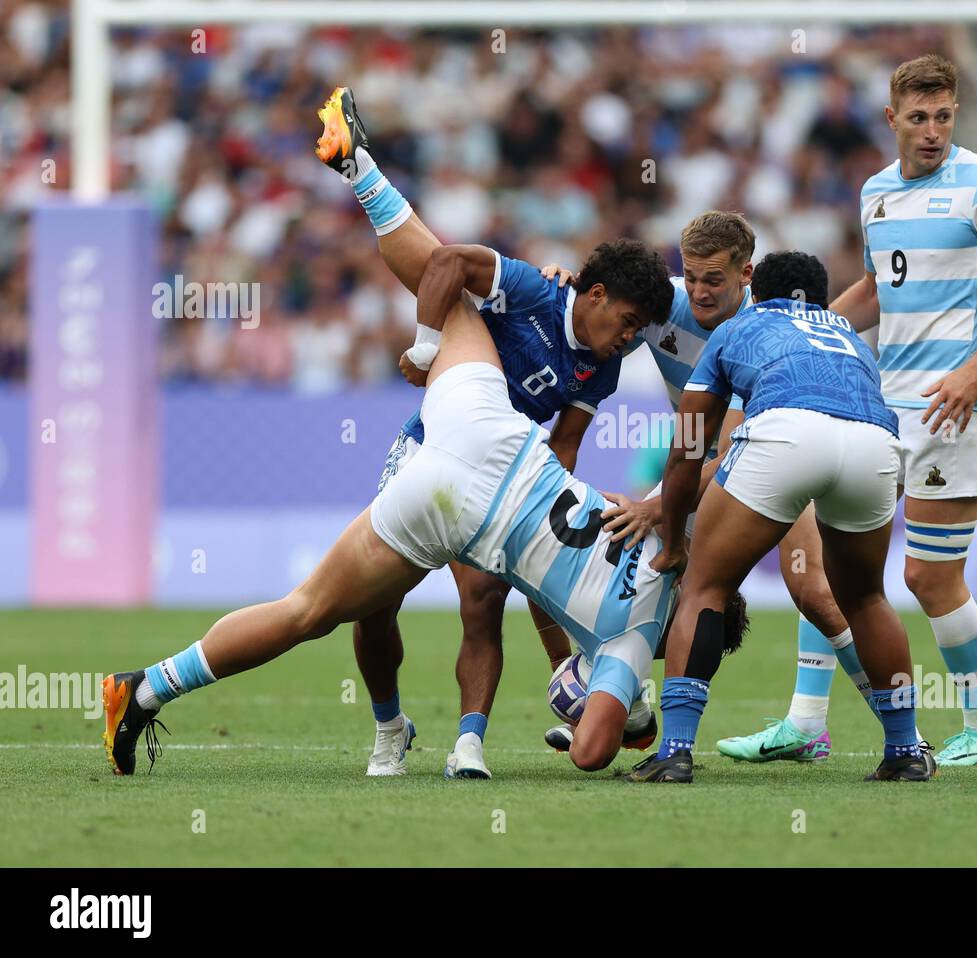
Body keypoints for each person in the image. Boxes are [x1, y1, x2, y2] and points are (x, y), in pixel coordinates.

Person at [102, 286, 745, 779]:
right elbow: (591, 754)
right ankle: (151, 688)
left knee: (458, 287)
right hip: (467, 510)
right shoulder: (631, 646)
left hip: (490, 442)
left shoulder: (665, 534)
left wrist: (658, 505)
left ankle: (361, 170)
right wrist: (598, 695)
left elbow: (701, 469)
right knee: (322, 613)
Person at [314, 87, 673, 778]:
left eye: (638, 333)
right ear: (594, 297)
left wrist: (569, 515)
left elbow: (564, 449)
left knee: (486, 601)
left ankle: (470, 743)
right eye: (625, 322)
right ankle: (391, 728)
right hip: (431, 442)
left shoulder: (598, 368)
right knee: (373, 606)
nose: (628, 340)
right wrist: (424, 349)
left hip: (500, 471)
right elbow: (445, 265)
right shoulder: (539, 293)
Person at [728, 53, 977, 767]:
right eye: (918, 118)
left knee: (928, 578)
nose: (932, 131)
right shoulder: (877, 192)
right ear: (892, 119)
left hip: (953, 408)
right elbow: (878, 289)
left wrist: (976, 369)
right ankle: (806, 722)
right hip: (877, 408)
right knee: (837, 561)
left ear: (955, 115)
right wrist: (806, 335)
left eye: (943, 116)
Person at [626, 251, 933, 784]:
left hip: (786, 434)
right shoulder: (848, 336)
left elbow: (688, 447)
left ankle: (674, 751)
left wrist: (674, 539)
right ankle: (906, 749)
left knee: (703, 589)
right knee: (865, 598)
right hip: (875, 444)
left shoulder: (740, 325)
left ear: (756, 292)